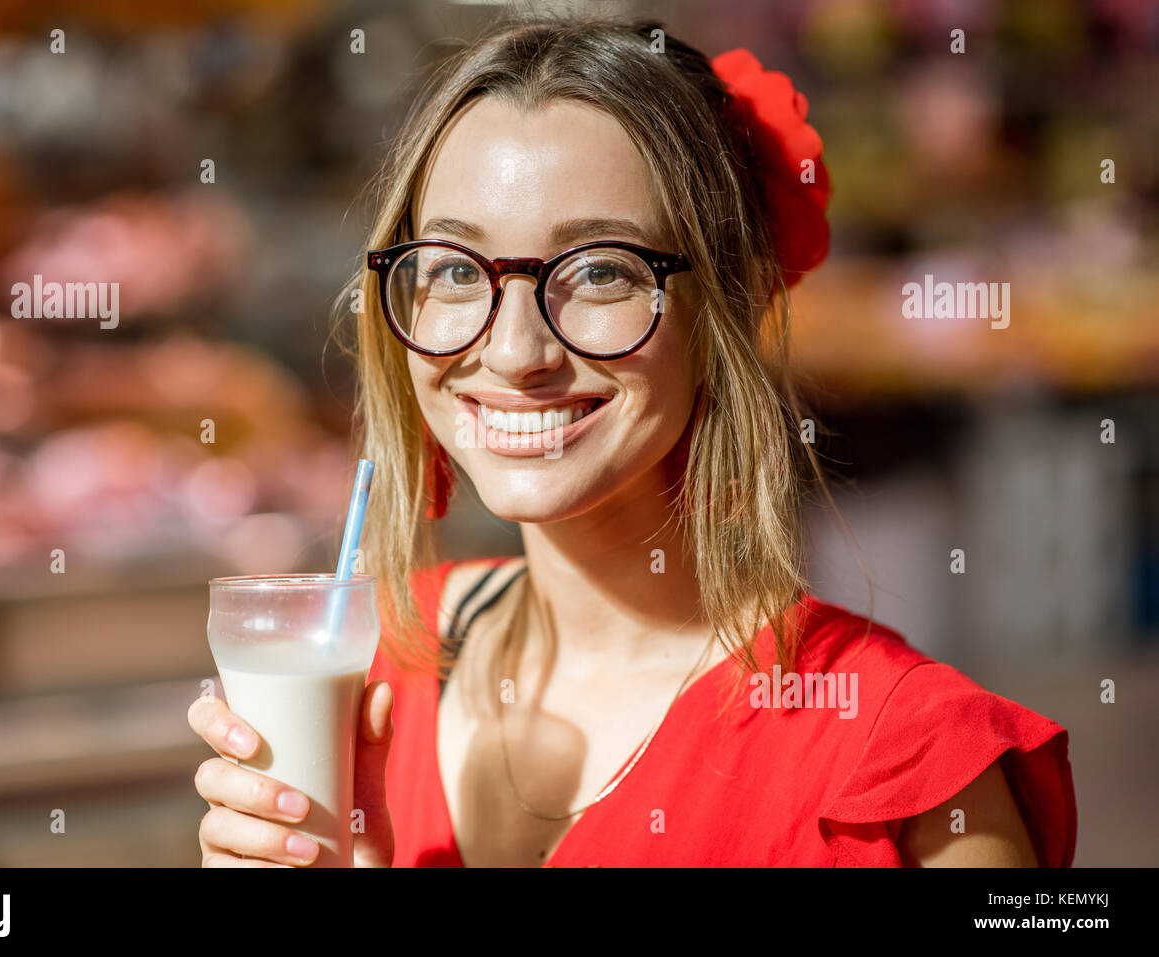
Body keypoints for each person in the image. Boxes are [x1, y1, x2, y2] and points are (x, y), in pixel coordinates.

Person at [188, 14, 1076, 867]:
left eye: (601, 270)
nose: (513, 351)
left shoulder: (910, 762)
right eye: (458, 269)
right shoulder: (373, 661)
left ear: (728, 305)